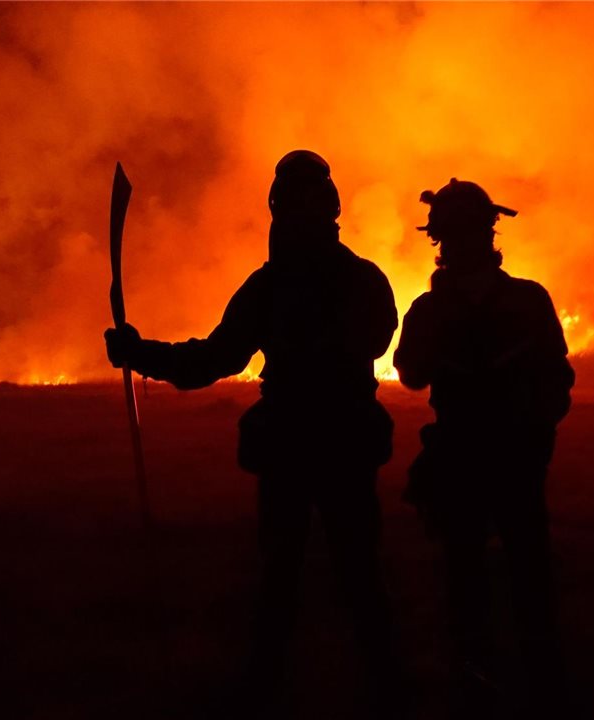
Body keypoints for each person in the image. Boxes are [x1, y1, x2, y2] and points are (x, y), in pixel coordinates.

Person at [104, 150, 400, 711]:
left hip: (305, 442)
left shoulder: (280, 286)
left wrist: (140, 354)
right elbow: (216, 358)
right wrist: (140, 353)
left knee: (304, 578)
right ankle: (375, 686)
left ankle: (287, 689)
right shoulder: (349, 279)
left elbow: (214, 359)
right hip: (331, 444)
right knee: (338, 575)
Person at [393, 178, 575, 712]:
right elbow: (411, 372)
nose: (459, 243)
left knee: (499, 573)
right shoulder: (486, 303)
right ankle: (510, 681)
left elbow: (555, 378)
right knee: (493, 573)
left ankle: (512, 681)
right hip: (477, 456)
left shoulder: (498, 302)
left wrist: (537, 431)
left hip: (500, 455)